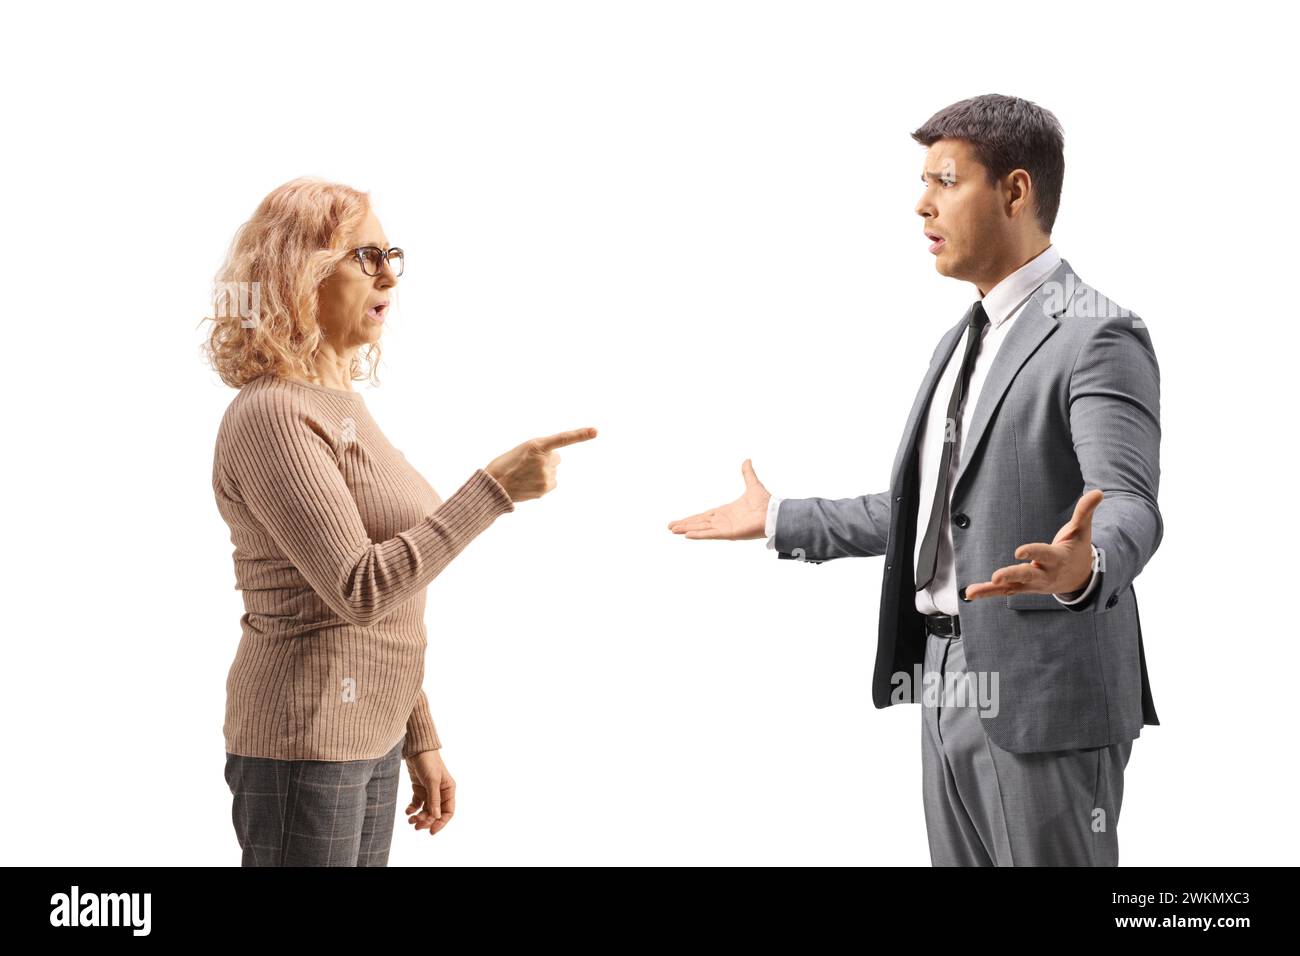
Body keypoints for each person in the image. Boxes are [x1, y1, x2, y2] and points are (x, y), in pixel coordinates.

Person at [667, 94, 1161, 866]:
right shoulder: (964, 339)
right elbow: (933, 513)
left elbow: (1129, 500)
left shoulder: (1096, 332)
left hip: (1044, 693)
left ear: (1015, 191)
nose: (921, 204)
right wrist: (778, 521)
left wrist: (1087, 567)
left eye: (944, 180)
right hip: (945, 678)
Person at [203, 177, 596, 865]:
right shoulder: (272, 415)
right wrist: (493, 490)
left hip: (370, 735)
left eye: (391, 255)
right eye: (364, 256)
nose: (389, 273)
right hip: (307, 738)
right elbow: (360, 590)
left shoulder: (338, 404)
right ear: (300, 275)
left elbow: (393, 606)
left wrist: (419, 735)